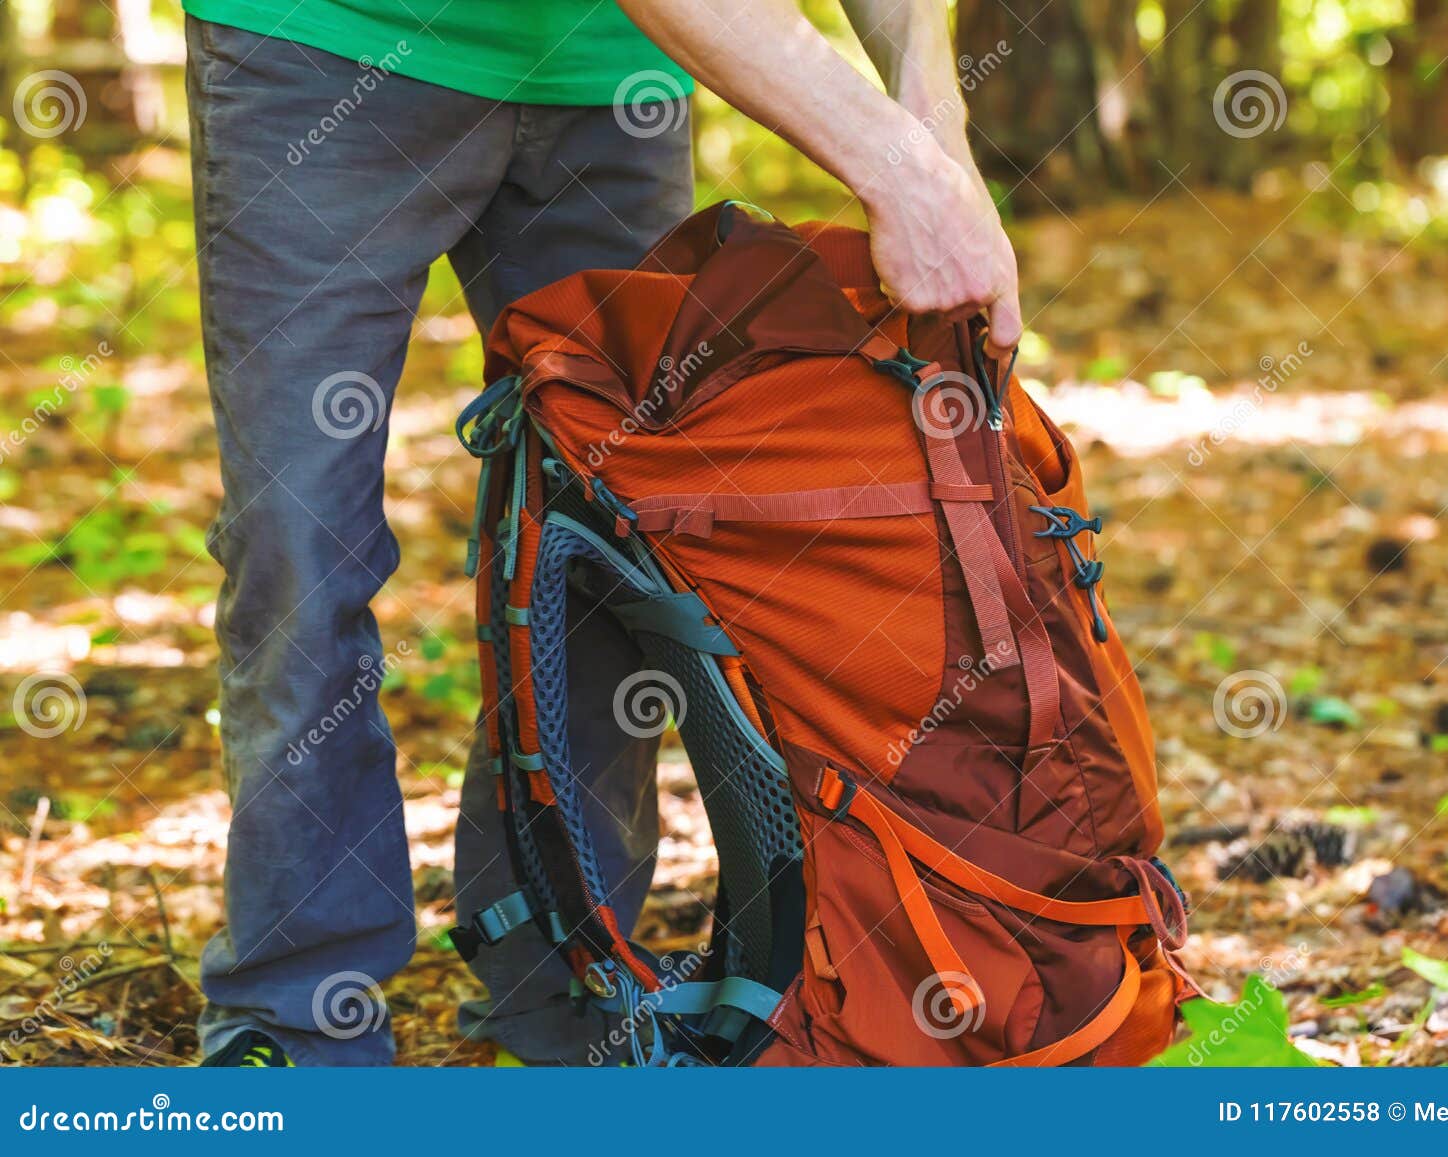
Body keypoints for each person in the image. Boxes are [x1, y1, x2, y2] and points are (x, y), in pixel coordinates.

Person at [184, 0, 1019, 1067]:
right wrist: (897, 169)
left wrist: (936, 132)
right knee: (297, 543)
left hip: (610, 82)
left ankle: (568, 987)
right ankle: (295, 1013)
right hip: (327, 49)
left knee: (620, 537)